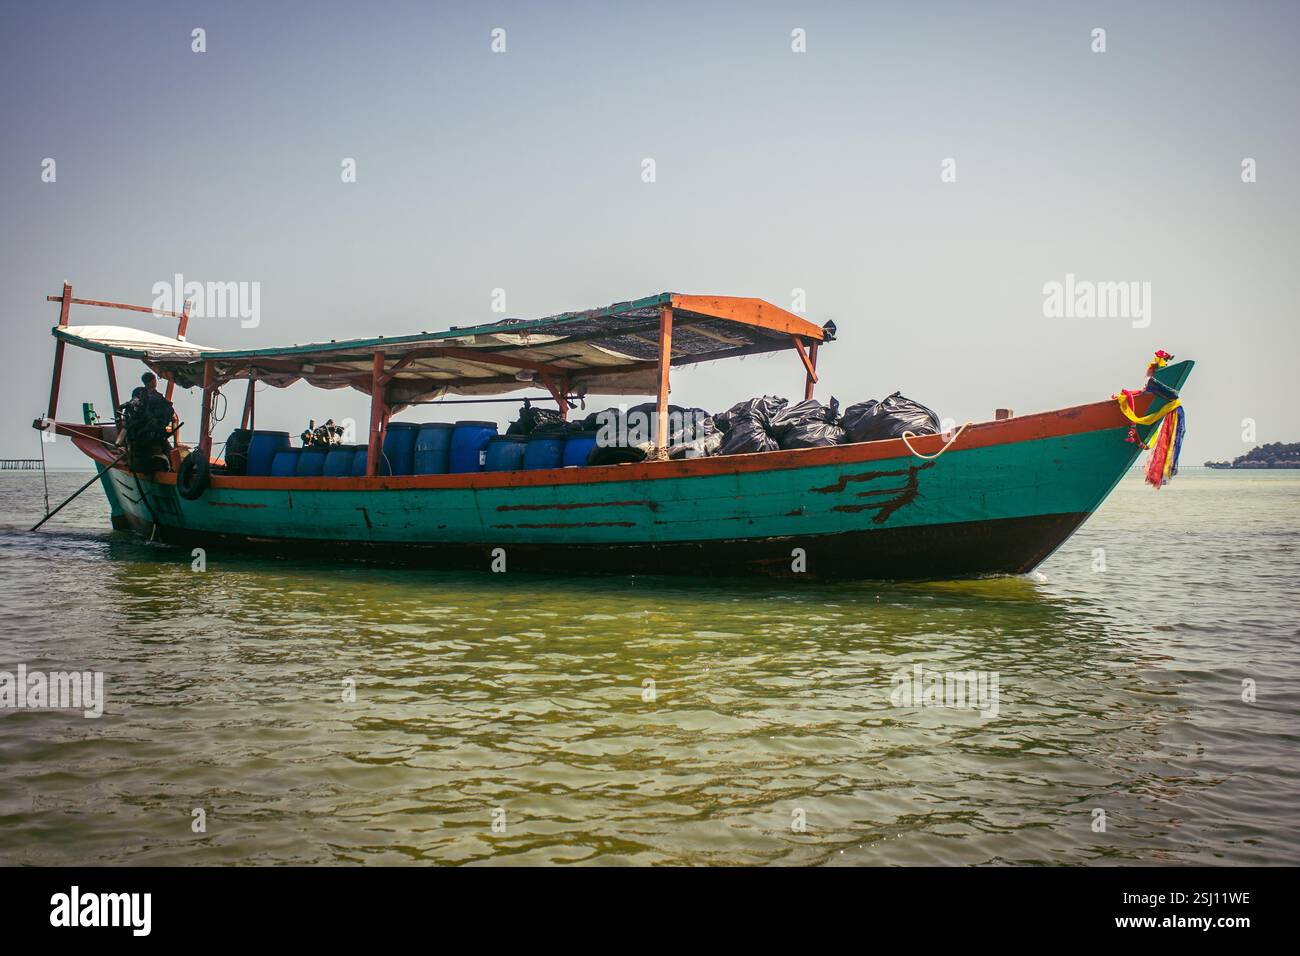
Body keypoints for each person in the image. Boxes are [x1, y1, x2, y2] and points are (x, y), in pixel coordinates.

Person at [121, 372, 176, 471]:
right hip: (150, 432)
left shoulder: (139, 396)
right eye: (154, 380)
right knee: (167, 448)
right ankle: (174, 466)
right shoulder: (151, 397)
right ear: (152, 382)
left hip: (149, 430)